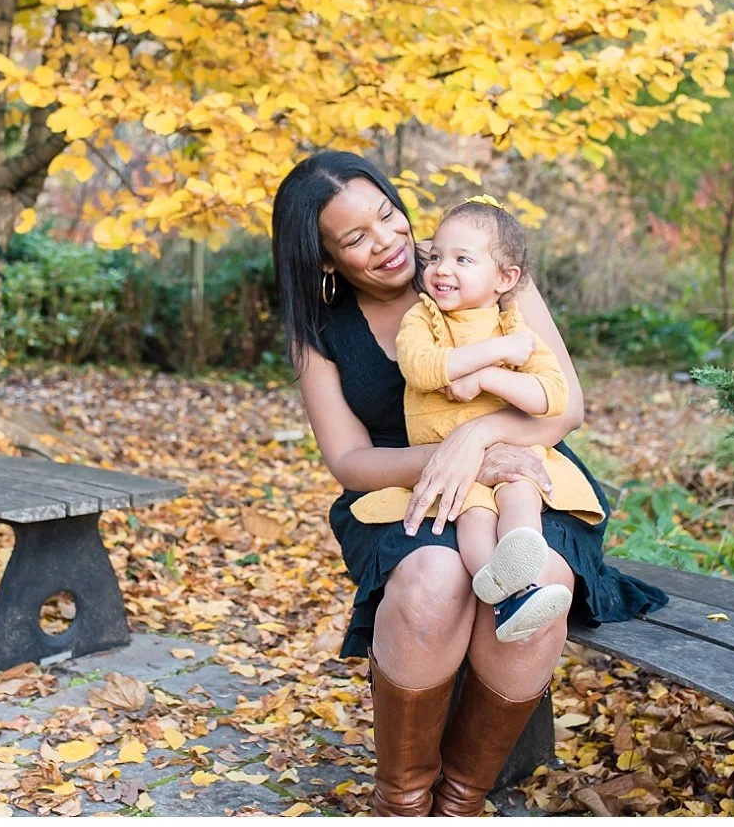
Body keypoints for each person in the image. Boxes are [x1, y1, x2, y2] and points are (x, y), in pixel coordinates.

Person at [271, 150, 667, 816]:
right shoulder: (318, 331)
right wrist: (442, 461)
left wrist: (477, 438)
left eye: (388, 216)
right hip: (402, 490)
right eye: (356, 239)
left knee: (541, 576)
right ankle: (401, 800)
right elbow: (349, 460)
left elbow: (565, 404)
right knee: (434, 583)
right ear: (326, 260)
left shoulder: (477, 258)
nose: (389, 242)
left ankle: (461, 800)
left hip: (519, 467)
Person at [350, 195, 606, 646]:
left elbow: (552, 395)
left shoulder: (512, 326)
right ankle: (498, 586)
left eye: (462, 260)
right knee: (471, 513)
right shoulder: (423, 319)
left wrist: (490, 377)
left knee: (523, 493)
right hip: (454, 463)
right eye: (438, 257)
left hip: (512, 455)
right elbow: (422, 367)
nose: (442, 269)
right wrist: (497, 356)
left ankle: (519, 584)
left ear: (504, 279)